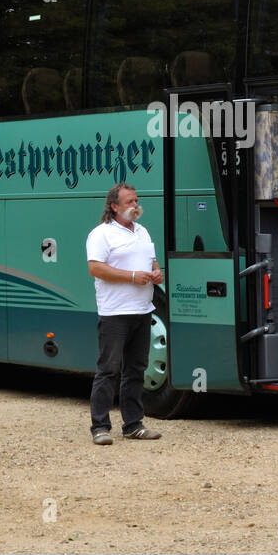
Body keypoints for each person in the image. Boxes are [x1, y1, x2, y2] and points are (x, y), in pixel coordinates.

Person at [85, 183, 165, 445]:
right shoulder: (102, 234)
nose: (135, 205)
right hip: (115, 312)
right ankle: (100, 426)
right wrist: (132, 276)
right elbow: (95, 268)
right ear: (114, 206)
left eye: (136, 200)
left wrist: (156, 273)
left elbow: (152, 261)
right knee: (108, 369)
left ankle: (133, 424)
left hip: (142, 310)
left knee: (136, 370)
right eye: (129, 202)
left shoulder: (141, 231)